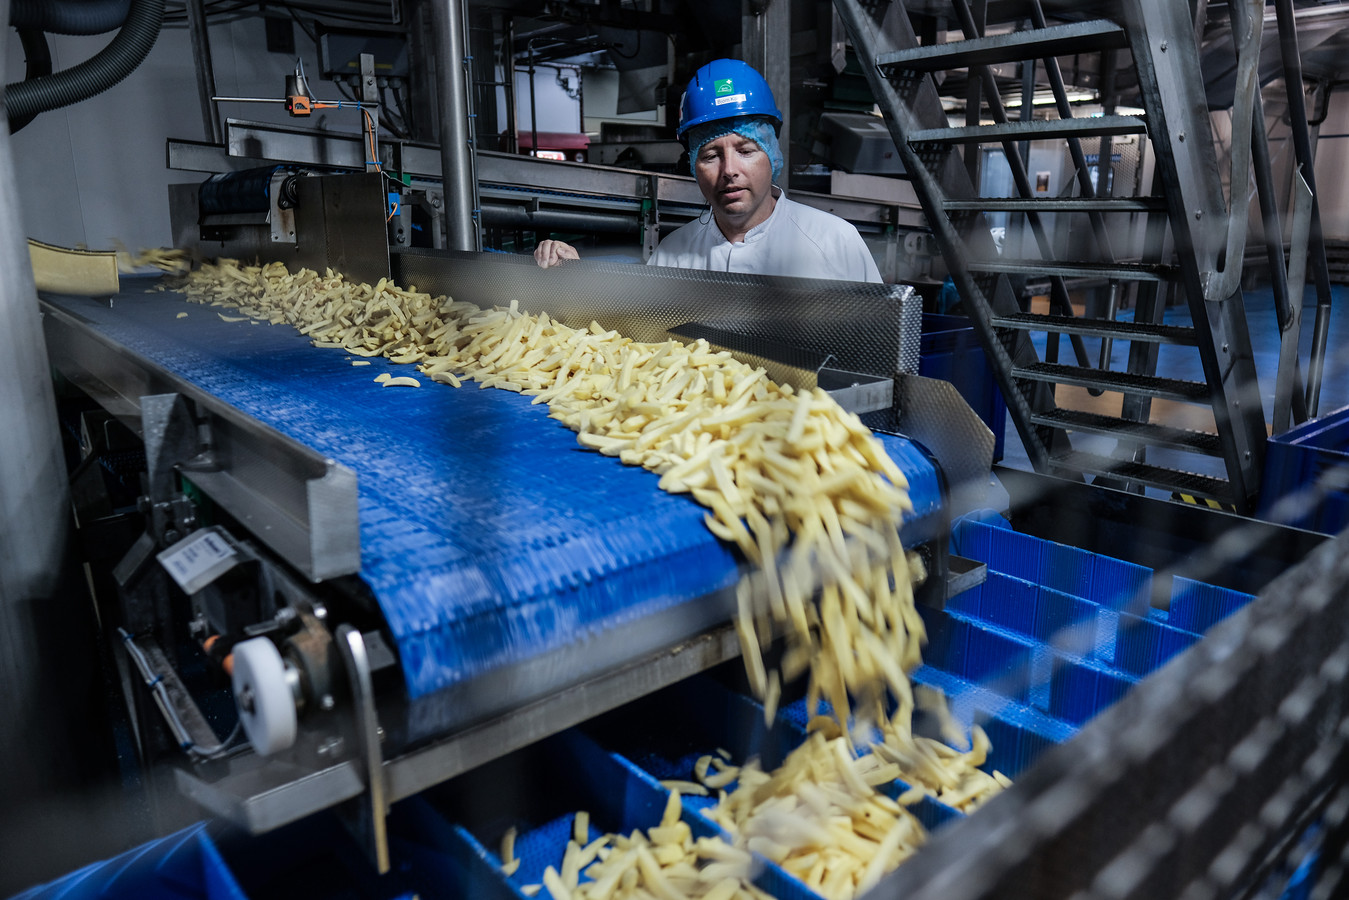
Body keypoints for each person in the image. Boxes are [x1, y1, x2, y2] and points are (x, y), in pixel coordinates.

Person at [534, 59, 883, 284]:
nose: (729, 171)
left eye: (745, 151)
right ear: (692, 165)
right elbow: (639, 335)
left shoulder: (835, 242)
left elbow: (877, 345)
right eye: (711, 155)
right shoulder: (673, 253)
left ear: (772, 153)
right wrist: (575, 274)